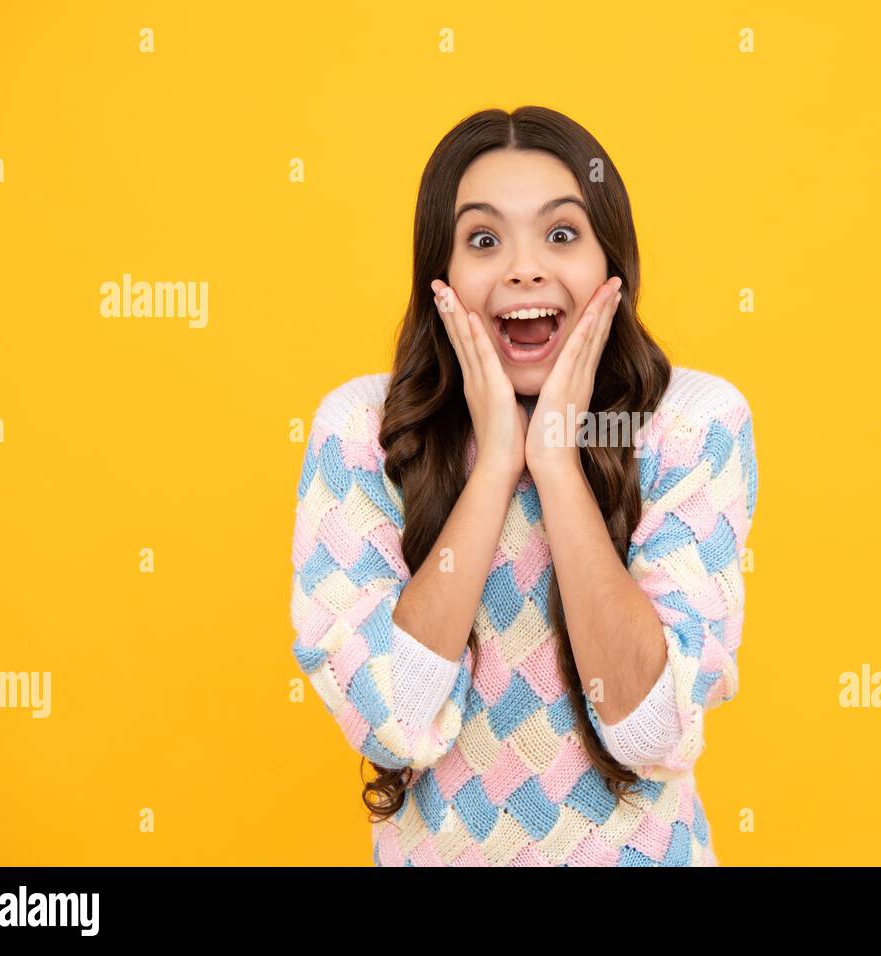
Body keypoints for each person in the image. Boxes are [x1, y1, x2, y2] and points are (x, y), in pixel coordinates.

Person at [290, 105, 759, 866]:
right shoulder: (361, 432)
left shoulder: (692, 425)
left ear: (615, 266)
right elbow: (391, 720)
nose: (524, 268)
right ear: (438, 277)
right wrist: (496, 465)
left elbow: (650, 730)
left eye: (562, 234)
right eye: (483, 239)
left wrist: (555, 466)